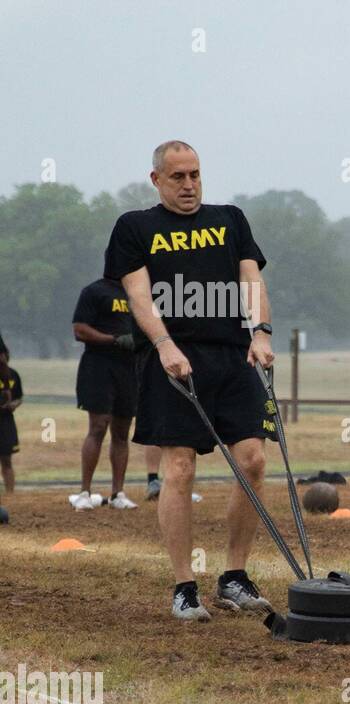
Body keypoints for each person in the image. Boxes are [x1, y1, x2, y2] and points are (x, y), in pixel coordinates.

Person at [104, 139, 277, 622]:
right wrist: (163, 344)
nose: (189, 185)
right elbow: (139, 297)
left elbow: (252, 283)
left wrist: (260, 333)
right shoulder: (135, 227)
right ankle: (184, 585)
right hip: (172, 360)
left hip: (232, 356)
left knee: (254, 461)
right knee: (178, 469)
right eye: (178, 176)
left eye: (195, 174)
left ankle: (234, 578)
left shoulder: (230, 219)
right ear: (156, 179)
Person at [69, 277, 138, 511]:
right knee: (98, 426)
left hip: (129, 369)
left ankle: (118, 493)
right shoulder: (94, 291)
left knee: (121, 431)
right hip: (98, 366)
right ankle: (84, 492)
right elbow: (79, 329)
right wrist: (114, 340)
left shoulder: (138, 292)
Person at [0, 347, 21, 494]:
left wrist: (14, 404)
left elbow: (19, 396)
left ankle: (10, 494)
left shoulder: (13, 375)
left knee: (7, 460)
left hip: (6, 421)